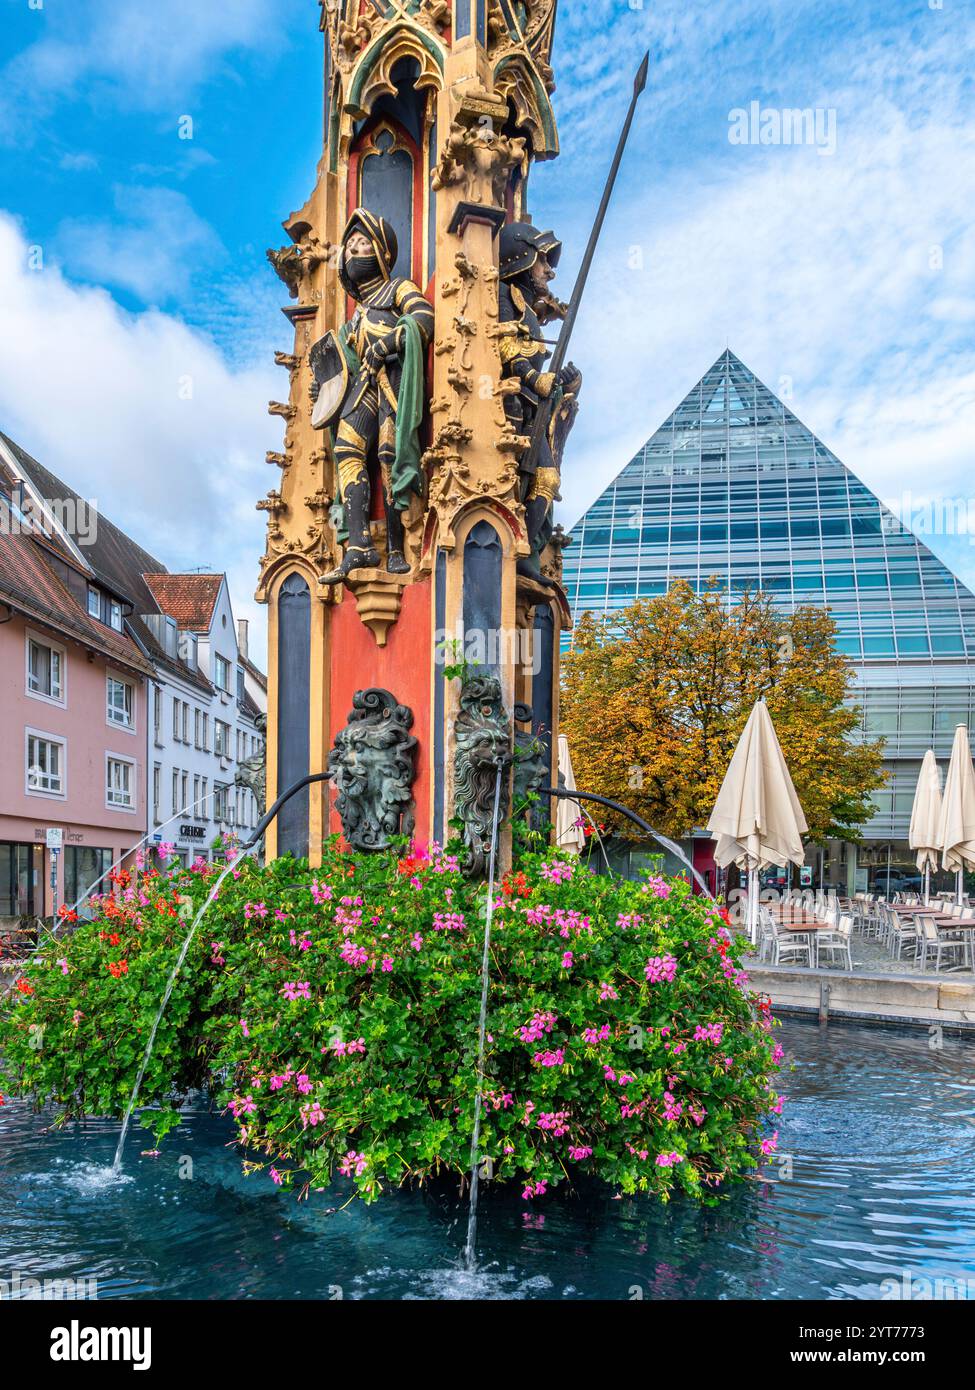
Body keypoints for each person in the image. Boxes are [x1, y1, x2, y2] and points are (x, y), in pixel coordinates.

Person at [318, 209, 434, 585]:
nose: (353, 251)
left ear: (382, 252)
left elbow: (423, 319)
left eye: (362, 243)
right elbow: (342, 365)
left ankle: (397, 548)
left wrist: (390, 340)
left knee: (388, 456)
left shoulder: (398, 287)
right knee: (347, 451)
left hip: (392, 382)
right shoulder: (352, 318)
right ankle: (359, 544)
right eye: (349, 246)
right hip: (363, 386)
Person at [497, 221, 582, 584]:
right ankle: (518, 551)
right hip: (515, 402)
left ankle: (526, 551)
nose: (549, 271)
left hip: (535, 401)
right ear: (521, 259)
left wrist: (559, 381)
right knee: (531, 476)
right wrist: (535, 377)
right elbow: (503, 344)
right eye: (542, 261)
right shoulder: (505, 296)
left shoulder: (528, 306)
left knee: (545, 478)